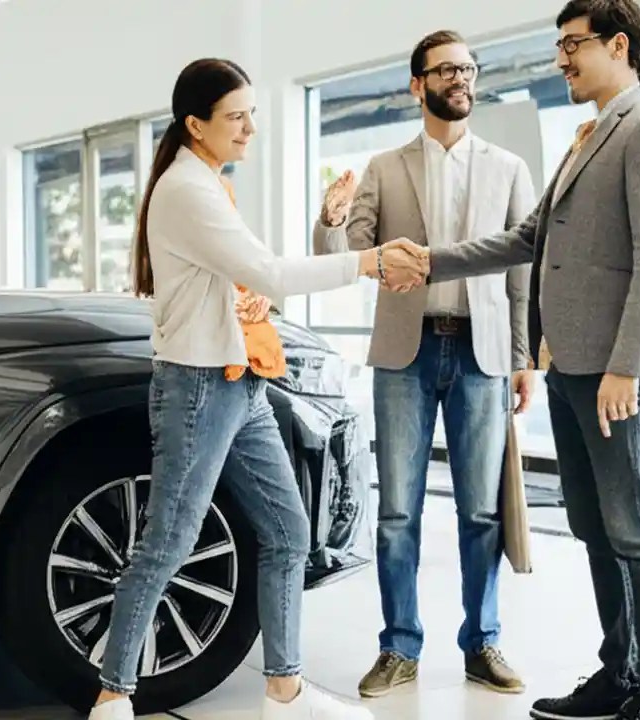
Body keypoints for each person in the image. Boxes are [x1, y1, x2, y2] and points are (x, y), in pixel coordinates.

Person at [87, 57, 424, 720]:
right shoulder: (186, 188)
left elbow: (239, 277)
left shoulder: (209, 181)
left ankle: (285, 691)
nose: (250, 129)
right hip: (200, 388)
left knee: (287, 531)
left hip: (243, 383)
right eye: (236, 117)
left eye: (253, 114)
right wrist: (368, 261)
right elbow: (266, 271)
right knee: (168, 544)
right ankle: (113, 696)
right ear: (195, 124)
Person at [409, 2, 640, 718]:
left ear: (618, 45)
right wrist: (431, 260)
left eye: (573, 45)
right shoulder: (587, 137)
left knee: (637, 529)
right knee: (595, 528)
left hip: (613, 373)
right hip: (569, 369)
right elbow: (526, 238)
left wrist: (628, 365)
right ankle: (619, 673)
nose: (560, 59)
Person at [312, 30, 536, 699]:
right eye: (446, 70)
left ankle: (483, 642)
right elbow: (346, 251)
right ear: (418, 85)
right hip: (404, 356)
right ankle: (399, 645)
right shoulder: (383, 166)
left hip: (484, 352)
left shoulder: (508, 167)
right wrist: (328, 219)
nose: (461, 78)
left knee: (482, 513)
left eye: (468, 67)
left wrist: (525, 358)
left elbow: (522, 269)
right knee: (398, 513)